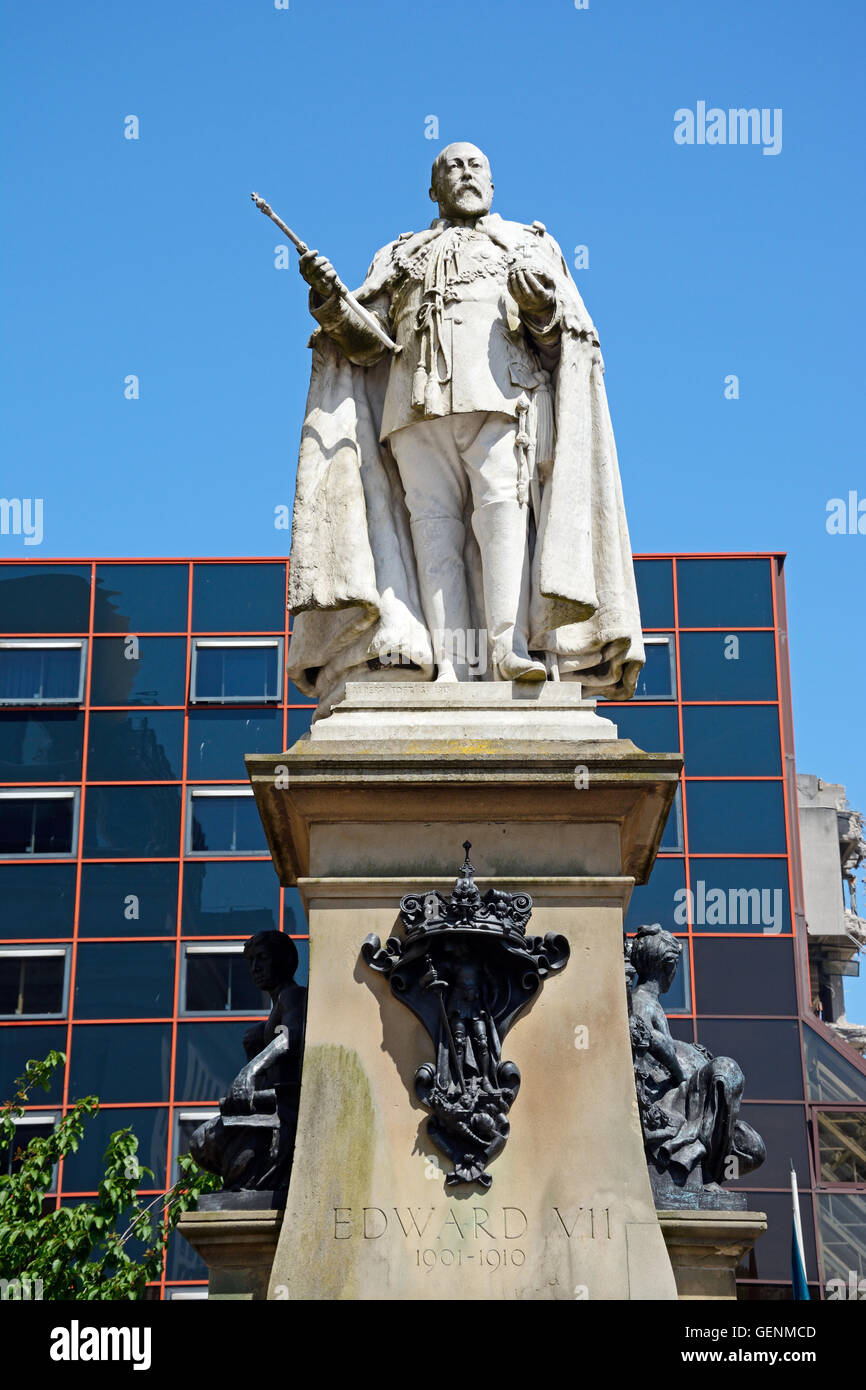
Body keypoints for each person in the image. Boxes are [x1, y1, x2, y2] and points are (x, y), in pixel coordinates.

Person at [285, 142, 644, 711]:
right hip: (413, 409)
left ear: (493, 185)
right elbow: (360, 343)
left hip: (503, 398)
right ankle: (452, 663)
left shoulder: (526, 244)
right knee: (433, 531)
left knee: (503, 517)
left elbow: (566, 341)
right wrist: (329, 300)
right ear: (434, 190)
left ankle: (507, 648)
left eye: (476, 165)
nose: (466, 173)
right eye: (452, 166)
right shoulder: (402, 254)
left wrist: (541, 311)